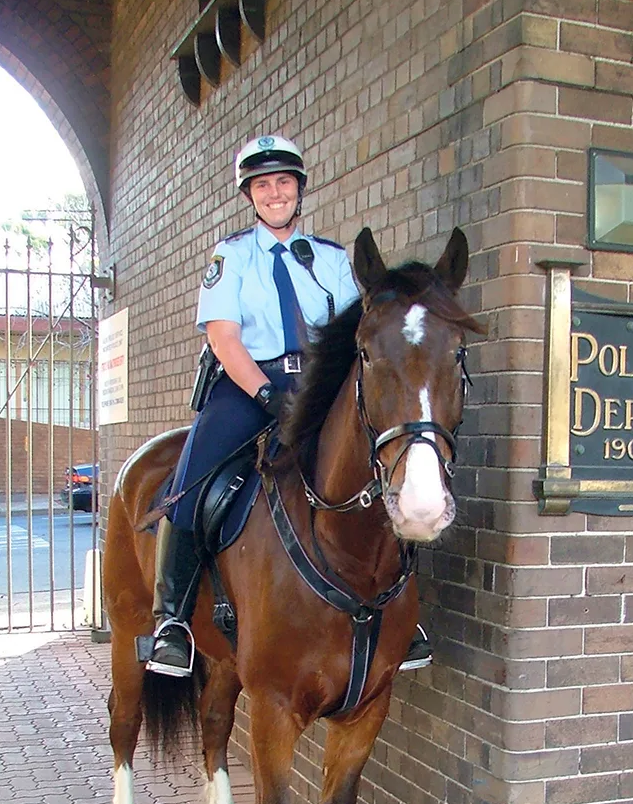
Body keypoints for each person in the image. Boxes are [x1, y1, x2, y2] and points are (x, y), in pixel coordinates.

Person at [144, 134, 433, 677]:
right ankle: (172, 621)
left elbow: (353, 331)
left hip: (318, 384)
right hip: (246, 383)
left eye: (283, 182)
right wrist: (264, 393)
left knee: (382, 460)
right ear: (249, 195)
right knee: (192, 480)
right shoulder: (232, 256)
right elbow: (224, 338)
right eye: (262, 186)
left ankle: (400, 611)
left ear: (299, 190)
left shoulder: (330, 259)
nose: (274, 193)